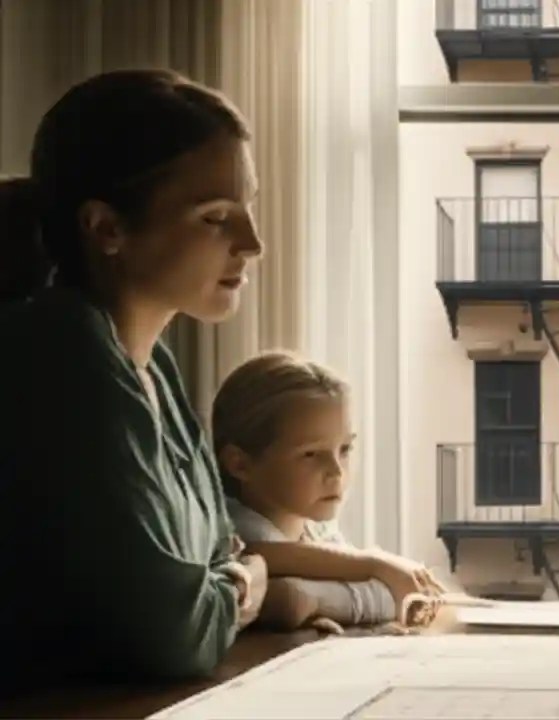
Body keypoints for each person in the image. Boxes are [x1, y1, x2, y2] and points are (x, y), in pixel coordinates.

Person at [0, 69, 267, 691]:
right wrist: (250, 582)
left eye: (247, 209)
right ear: (106, 229)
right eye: (215, 217)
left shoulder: (152, 362)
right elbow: (177, 635)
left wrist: (228, 578)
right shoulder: (63, 351)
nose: (251, 243)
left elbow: (216, 554)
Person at [213, 351, 443, 634]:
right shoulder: (234, 532)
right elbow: (278, 581)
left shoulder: (318, 533)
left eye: (345, 450)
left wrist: (324, 600)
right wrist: (373, 566)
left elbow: (398, 593)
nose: (336, 471)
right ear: (240, 464)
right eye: (311, 454)